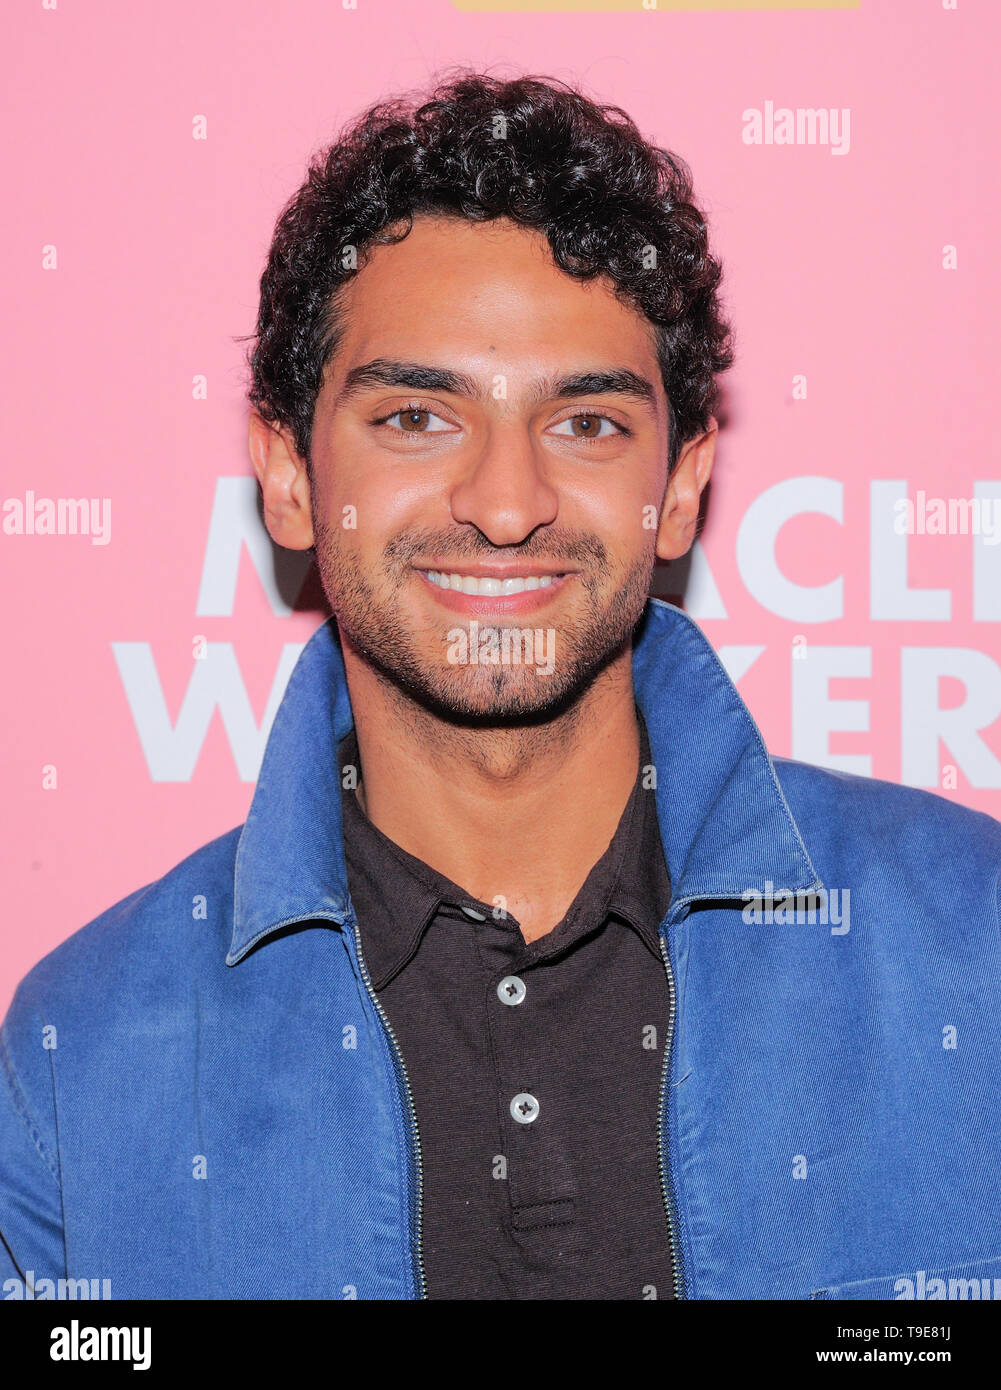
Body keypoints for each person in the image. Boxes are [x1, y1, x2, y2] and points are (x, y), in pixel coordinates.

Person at [2, 71, 1000, 1303]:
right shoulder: (82, 1065)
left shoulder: (971, 946)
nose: (506, 502)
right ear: (290, 476)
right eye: (416, 416)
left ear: (680, 486)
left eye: (585, 425)